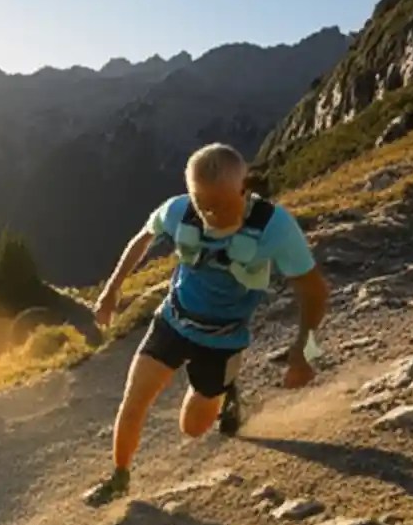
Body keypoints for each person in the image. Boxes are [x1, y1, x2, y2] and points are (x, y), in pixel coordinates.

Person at [87, 143, 329, 506]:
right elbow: (143, 238)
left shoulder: (274, 226)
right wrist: (110, 291)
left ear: (244, 189)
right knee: (133, 401)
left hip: (223, 339)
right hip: (172, 320)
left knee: (193, 427)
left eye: (222, 203)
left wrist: (305, 350)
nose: (211, 214)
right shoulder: (178, 210)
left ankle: (226, 392)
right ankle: (119, 477)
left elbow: (314, 291)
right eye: (203, 204)